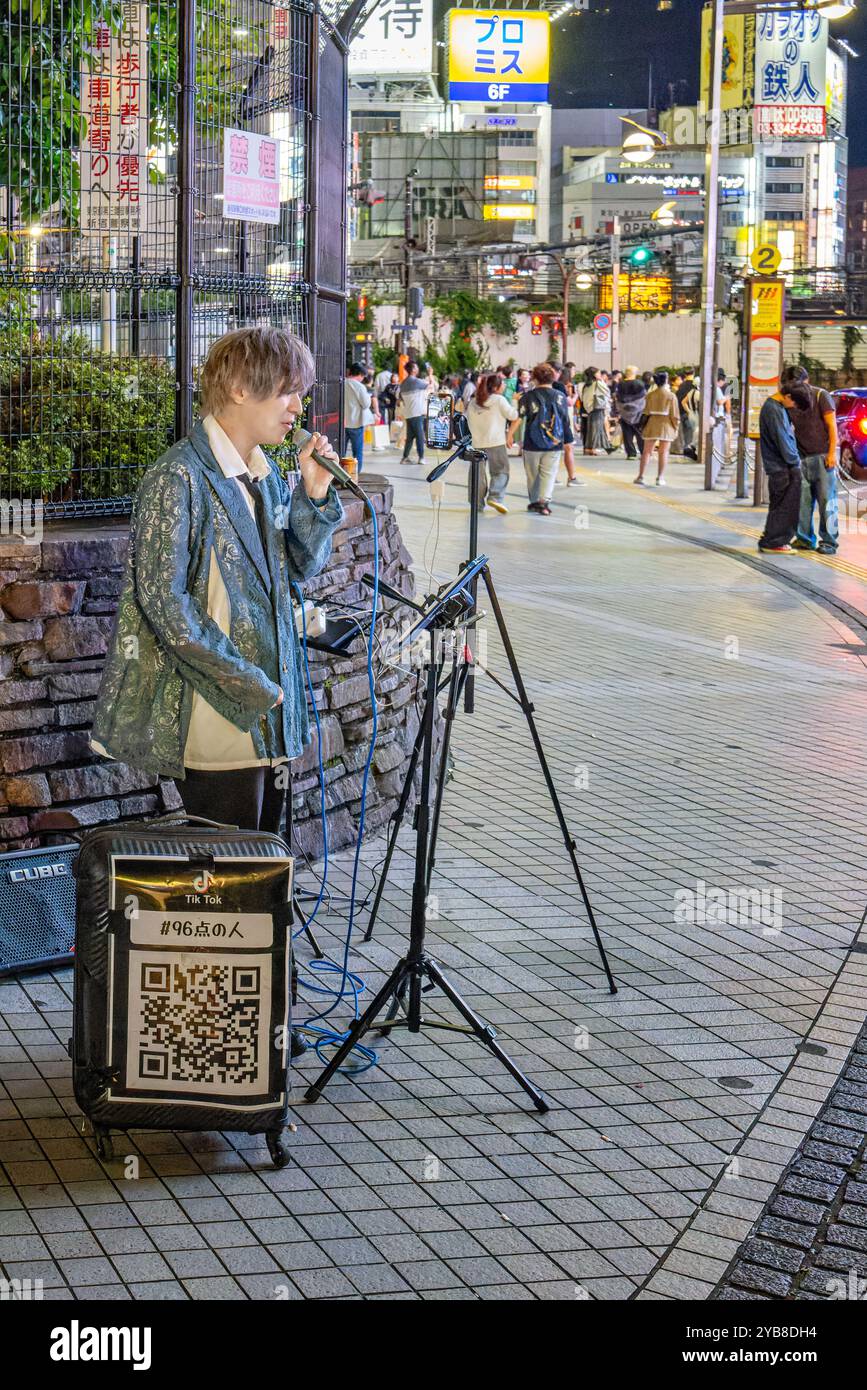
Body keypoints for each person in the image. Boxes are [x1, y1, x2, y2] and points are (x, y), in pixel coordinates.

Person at [91, 326, 344, 836]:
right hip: (216, 712)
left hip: (268, 710)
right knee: (229, 879)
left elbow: (294, 568)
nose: (298, 405)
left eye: (300, 392)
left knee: (266, 869)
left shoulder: (264, 473)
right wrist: (249, 684)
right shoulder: (177, 476)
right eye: (287, 389)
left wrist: (314, 498)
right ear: (239, 389)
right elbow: (166, 606)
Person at [780, 364, 839, 555]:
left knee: (826, 500)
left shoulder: (821, 396)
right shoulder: (790, 400)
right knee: (802, 500)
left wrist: (831, 453)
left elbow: (832, 427)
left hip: (822, 457)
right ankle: (804, 538)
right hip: (801, 457)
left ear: (805, 381)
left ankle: (829, 541)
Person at [757, 383, 814, 553]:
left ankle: (773, 540)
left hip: (780, 466)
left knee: (780, 505)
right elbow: (783, 440)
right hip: (782, 467)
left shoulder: (775, 407)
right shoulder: (774, 410)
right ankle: (774, 541)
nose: (794, 407)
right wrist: (795, 462)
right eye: (795, 403)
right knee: (784, 507)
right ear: (787, 396)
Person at [514, 361, 574, 516]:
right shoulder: (560, 397)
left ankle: (534, 501)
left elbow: (519, 417)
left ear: (535, 378)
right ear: (553, 378)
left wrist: (509, 436)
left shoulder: (527, 396)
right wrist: (568, 439)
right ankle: (544, 501)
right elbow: (564, 420)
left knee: (532, 473)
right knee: (549, 472)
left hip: (531, 442)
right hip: (554, 442)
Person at [465, 372, 518, 515]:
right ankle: (495, 497)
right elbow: (513, 415)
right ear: (496, 387)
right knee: (501, 471)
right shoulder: (499, 400)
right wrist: (514, 401)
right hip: (495, 442)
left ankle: (476, 504)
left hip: (476, 443)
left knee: (477, 475)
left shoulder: (473, 402)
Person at [635, 370, 679, 486]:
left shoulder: (650, 395)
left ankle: (641, 476)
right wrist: (676, 427)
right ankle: (660, 478)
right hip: (666, 424)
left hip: (651, 423)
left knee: (646, 452)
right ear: (666, 381)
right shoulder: (671, 396)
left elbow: (645, 412)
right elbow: (674, 415)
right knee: (663, 452)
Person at [397, 360, 429, 464]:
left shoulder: (403, 383)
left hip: (408, 413)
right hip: (416, 413)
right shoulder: (416, 381)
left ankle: (405, 457)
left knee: (410, 436)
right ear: (414, 369)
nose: (418, 369)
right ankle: (421, 458)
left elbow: (400, 397)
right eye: (416, 367)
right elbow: (429, 385)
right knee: (419, 436)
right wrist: (431, 374)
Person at [343, 361, 371, 472]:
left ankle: (339, 475)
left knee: (341, 451)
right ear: (359, 374)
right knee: (357, 453)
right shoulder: (359, 387)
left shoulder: (341, 383)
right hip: (356, 423)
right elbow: (365, 404)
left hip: (342, 423)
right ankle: (355, 475)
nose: (362, 379)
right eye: (362, 376)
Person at [615, 366, 647, 461]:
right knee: (640, 433)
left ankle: (631, 453)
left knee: (627, 433)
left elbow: (617, 397)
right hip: (638, 412)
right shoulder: (639, 383)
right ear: (635, 373)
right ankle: (643, 452)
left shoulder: (620, 384)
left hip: (624, 411)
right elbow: (643, 397)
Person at [580, 366, 612, 456]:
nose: (600, 375)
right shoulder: (598, 383)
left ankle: (591, 447)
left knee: (592, 427)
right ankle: (592, 448)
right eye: (598, 373)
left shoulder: (587, 384)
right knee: (596, 428)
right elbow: (607, 392)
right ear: (594, 374)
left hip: (590, 408)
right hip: (598, 407)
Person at [676, 368, 699, 459]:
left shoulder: (681, 386)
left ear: (685, 375)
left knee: (686, 434)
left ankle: (686, 450)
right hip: (694, 415)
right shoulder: (695, 388)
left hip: (682, 413)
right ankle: (690, 452)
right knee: (693, 434)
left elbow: (681, 401)